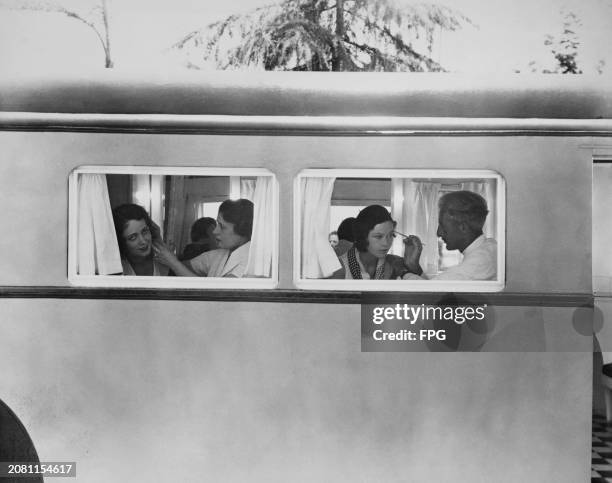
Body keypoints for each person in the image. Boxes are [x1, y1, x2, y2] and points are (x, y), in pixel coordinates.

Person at [402, 190, 497, 280]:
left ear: (463, 227)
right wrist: (415, 268)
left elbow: (432, 292)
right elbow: (437, 291)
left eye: (443, 226)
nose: (438, 233)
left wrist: (402, 272)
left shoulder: (478, 263)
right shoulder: (489, 246)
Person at [154, 199, 253, 278]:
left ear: (242, 230)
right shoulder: (219, 255)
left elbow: (216, 294)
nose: (215, 231)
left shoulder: (251, 263)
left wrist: (173, 263)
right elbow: (181, 267)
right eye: (217, 224)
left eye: (222, 226)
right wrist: (167, 255)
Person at [330, 205, 406, 279]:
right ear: (363, 236)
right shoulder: (340, 268)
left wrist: (413, 264)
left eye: (391, 235)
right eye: (378, 237)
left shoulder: (393, 263)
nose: (386, 243)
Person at [112, 203, 169, 276]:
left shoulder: (163, 262)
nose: (143, 241)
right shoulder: (116, 269)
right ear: (122, 242)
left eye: (145, 231)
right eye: (133, 237)